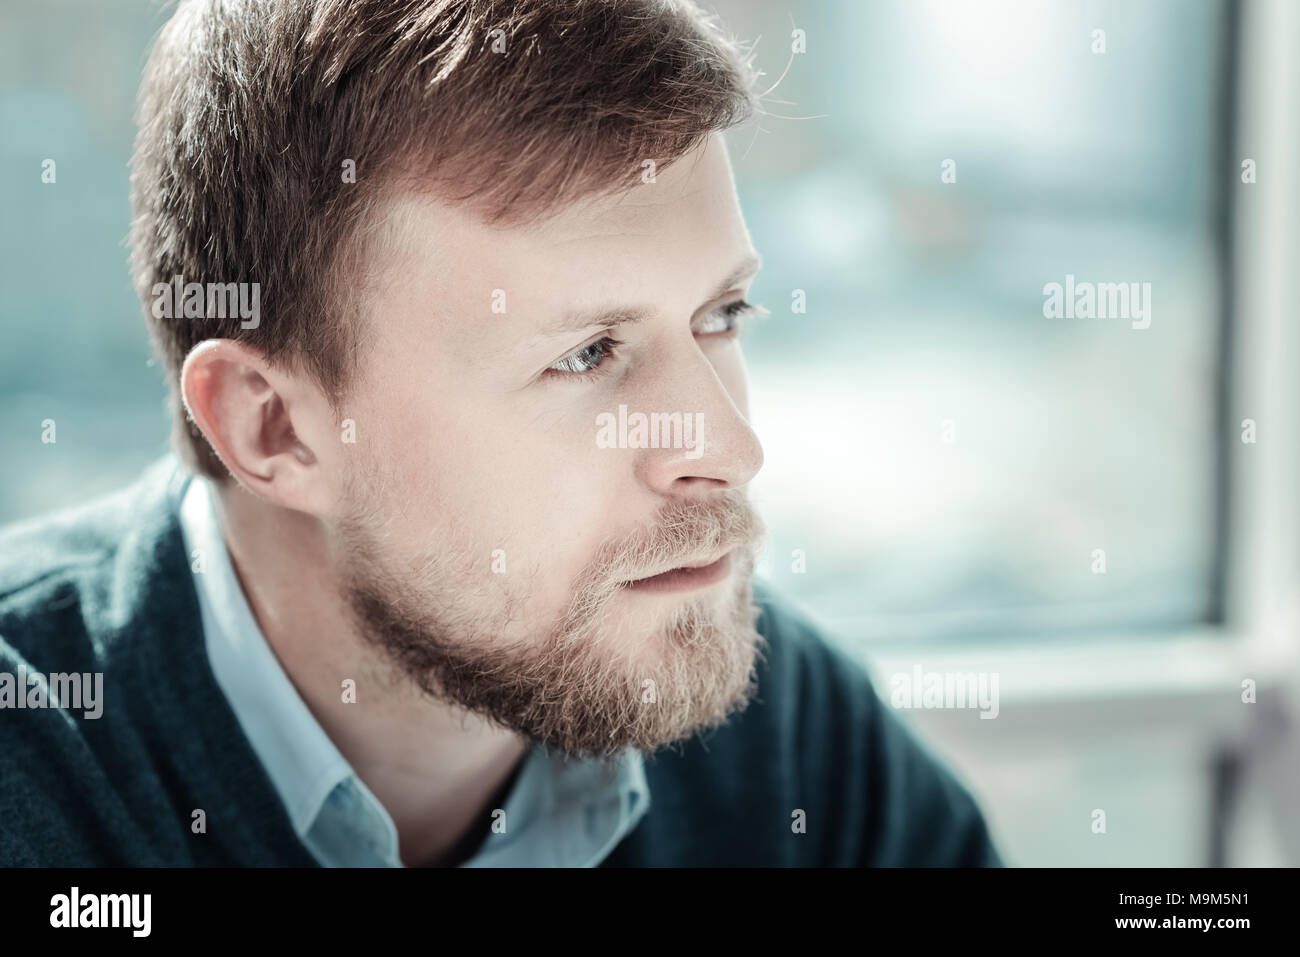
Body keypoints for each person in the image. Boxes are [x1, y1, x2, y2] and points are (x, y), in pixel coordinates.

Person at [0, 0, 1002, 867]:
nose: (730, 449)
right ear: (275, 431)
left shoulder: (796, 743)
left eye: (721, 316)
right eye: (584, 355)